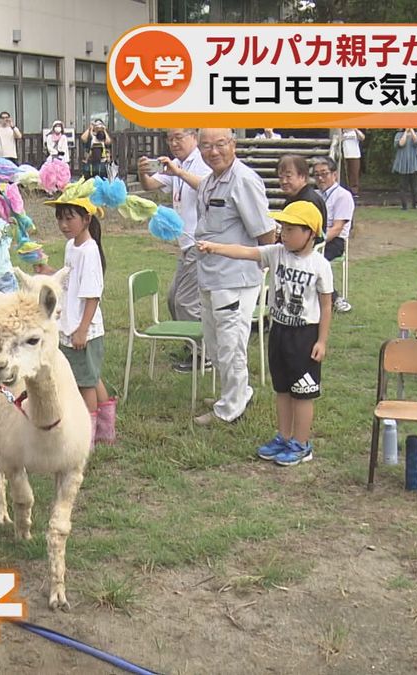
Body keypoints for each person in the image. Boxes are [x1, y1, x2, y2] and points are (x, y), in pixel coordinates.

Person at [198, 201, 332, 466]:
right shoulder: (276, 253)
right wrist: (215, 247)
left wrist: (322, 340)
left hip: (304, 336)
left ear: (310, 234)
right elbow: (246, 252)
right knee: (281, 389)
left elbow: (326, 305)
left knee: (302, 393)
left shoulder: (320, 265)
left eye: (292, 229)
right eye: (283, 227)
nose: (284, 233)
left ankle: (302, 444)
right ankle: (283, 436)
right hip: (279, 331)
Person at [183, 128, 277, 427]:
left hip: (234, 278)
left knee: (230, 342)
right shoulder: (211, 181)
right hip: (210, 274)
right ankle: (234, 392)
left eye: (220, 144)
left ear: (233, 144)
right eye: (206, 146)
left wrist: (265, 272)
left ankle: (230, 408)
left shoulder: (244, 180)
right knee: (214, 342)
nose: (213, 151)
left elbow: (265, 233)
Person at [44, 196, 116, 445]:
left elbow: (92, 294)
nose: (63, 224)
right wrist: (48, 272)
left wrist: (82, 330)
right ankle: (106, 432)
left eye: (69, 218)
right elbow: (68, 280)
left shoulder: (89, 251)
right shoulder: (72, 246)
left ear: (86, 219)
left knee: (85, 383)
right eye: (60, 219)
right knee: (91, 377)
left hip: (82, 329)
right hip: (69, 325)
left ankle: (88, 435)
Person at [138, 128, 212, 371]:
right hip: (185, 244)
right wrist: (142, 172)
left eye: (178, 137)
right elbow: (150, 185)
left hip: (199, 241)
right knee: (173, 299)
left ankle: (205, 355)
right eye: (169, 139)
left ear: (194, 136)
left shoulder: (201, 161)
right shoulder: (177, 163)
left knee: (186, 301)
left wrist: (179, 172)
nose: (173, 143)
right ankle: (192, 345)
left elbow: (207, 187)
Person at [311, 157, 354, 313]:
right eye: (316, 175)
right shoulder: (315, 195)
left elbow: (337, 228)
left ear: (334, 174)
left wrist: (316, 242)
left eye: (324, 173)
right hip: (314, 238)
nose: (320, 178)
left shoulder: (343, 196)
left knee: (312, 261)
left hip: (335, 240)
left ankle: (334, 298)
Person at [278, 154, 328, 234]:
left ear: (303, 176)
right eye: (280, 177)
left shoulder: (309, 201)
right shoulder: (292, 198)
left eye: (288, 176)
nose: (284, 181)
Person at [392, 128, 417, 210]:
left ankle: (415, 204)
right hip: (402, 162)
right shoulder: (398, 135)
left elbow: (416, 142)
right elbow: (401, 144)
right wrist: (405, 132)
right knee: (403, 186)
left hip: (414, 162)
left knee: (414, 185)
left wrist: (412, 130)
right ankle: (404, 205)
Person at [339, 129, 364, 198]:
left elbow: (362, 138)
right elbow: (338, 140)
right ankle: (345, 191)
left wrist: (355, 129)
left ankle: (354, 191)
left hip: (355, 154)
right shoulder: (342, 132)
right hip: (345, 155)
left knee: (354, 173)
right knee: (345, 174)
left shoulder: (355, 132)